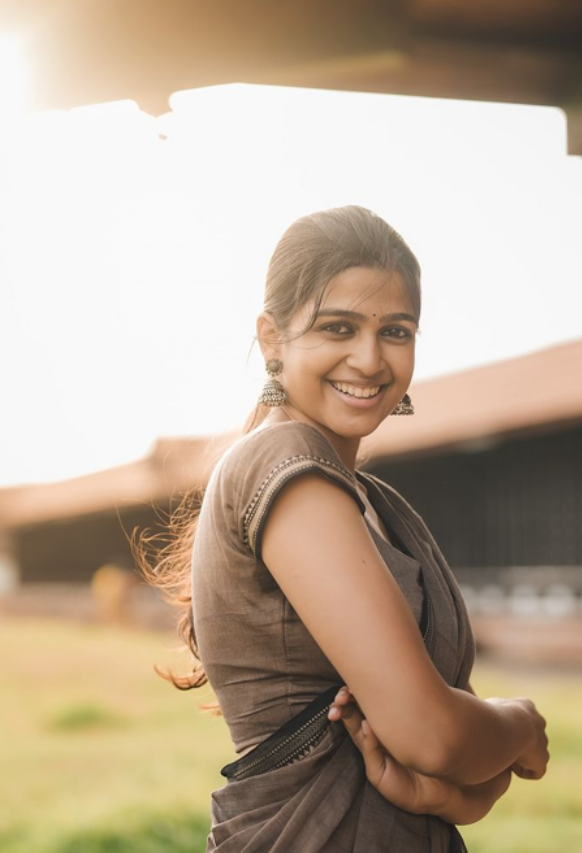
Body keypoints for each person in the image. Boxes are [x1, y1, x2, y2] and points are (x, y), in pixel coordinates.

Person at [137, 205, 549, 852]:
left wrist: (443, 793)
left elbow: (454, 759)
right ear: (272, 338)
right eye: (338, 327)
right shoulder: (285, 467)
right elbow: (433, 731)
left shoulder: (375, 501)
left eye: (396, 330)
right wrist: (520, 721)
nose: (370, 358)